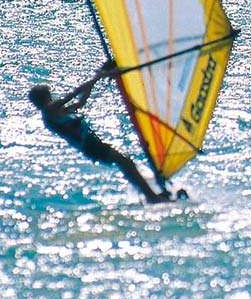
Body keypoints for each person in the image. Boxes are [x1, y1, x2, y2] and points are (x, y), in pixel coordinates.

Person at [28, 60, 180, 204]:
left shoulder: (56, 112)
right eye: (49, 94)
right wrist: (99, 76)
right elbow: (73, 94)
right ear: (44, 97)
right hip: (90, 146)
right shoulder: (49, 111)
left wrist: (98, 77)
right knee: (124, 162)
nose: (53, 96)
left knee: (126, 162)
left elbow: (81, 101)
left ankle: (150, 195)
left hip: (92, 144)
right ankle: (151, 197)